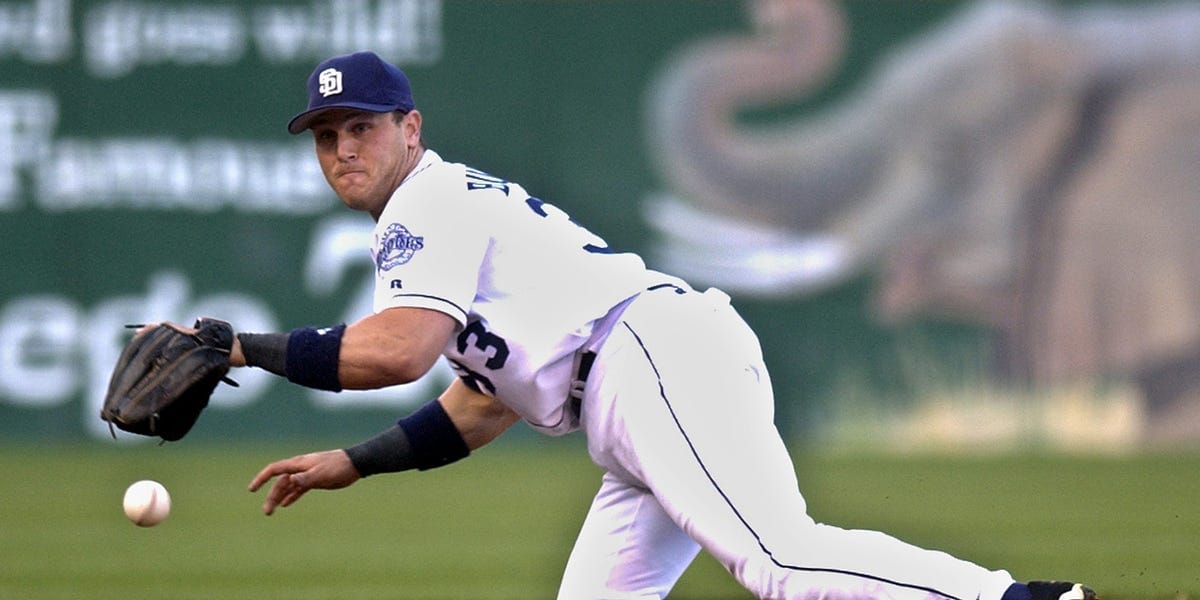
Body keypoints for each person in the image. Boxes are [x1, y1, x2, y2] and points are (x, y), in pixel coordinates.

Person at [226, 51, 1096, 600]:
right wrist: (354, 461)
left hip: (647, 359)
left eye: (363, 127)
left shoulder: (425, 205)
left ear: (409, 129)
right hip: (633, 383)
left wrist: (242, 348)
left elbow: (397, 353)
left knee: (781, 563)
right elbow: (483, 400)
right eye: (327, 134)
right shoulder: (436, 208)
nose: (344, 148)